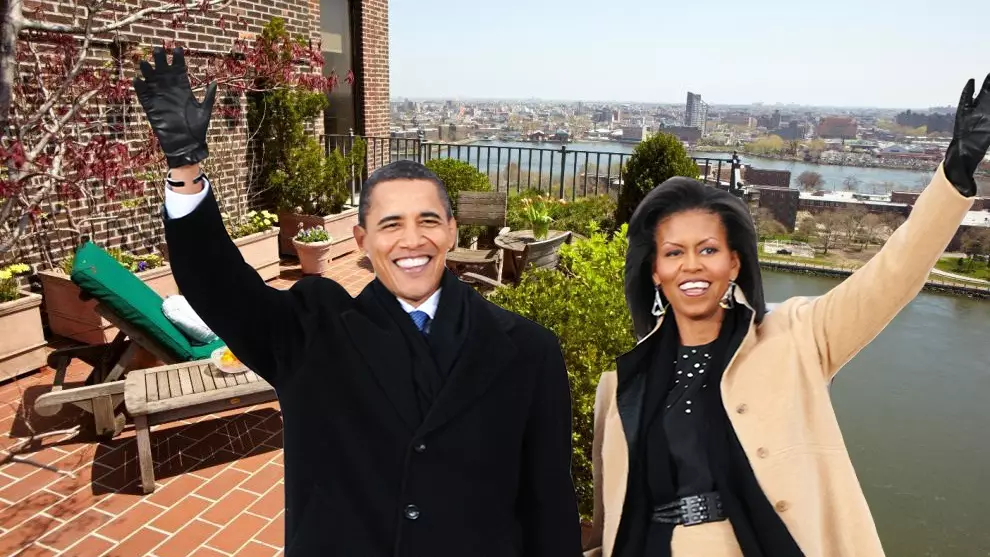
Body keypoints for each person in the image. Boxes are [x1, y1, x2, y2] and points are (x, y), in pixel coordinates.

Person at [133, 47, 582, 557]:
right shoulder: (312, 331)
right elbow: (218, 285)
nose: (411, 241)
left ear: (451, 231)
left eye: (428, 221)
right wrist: (185, 168)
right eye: (391, 225)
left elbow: (548, 507)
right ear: (362, 240)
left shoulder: (530, 352)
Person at [582, 73, 990, 557]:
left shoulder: (798, 337)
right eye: (673, 253)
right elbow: (614, 519)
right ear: (654, 271)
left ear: (734, 262)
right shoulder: (621, 385)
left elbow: (890, 277)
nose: (691, 265)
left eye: (708, 249)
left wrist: (955, 175)